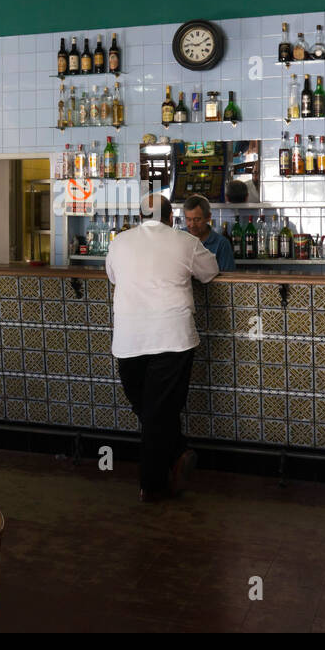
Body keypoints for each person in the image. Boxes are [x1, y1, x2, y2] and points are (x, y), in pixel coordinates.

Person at [105, 193, 220, 502]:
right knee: (157, 410)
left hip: (130, 338)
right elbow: (210, 272)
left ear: (141, 216)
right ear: (171, 218)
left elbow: (113, 276)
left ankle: (152, 485)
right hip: (172, 337)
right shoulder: (184, 241)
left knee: (147, 407)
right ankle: (178, 451)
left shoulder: (118, 243)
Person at [182, 194, 235, 271]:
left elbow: (228, 278)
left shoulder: (221, 244)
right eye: (188, 219)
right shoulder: (179, 238)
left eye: (197, 219)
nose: (192, 225)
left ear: (208, 217)